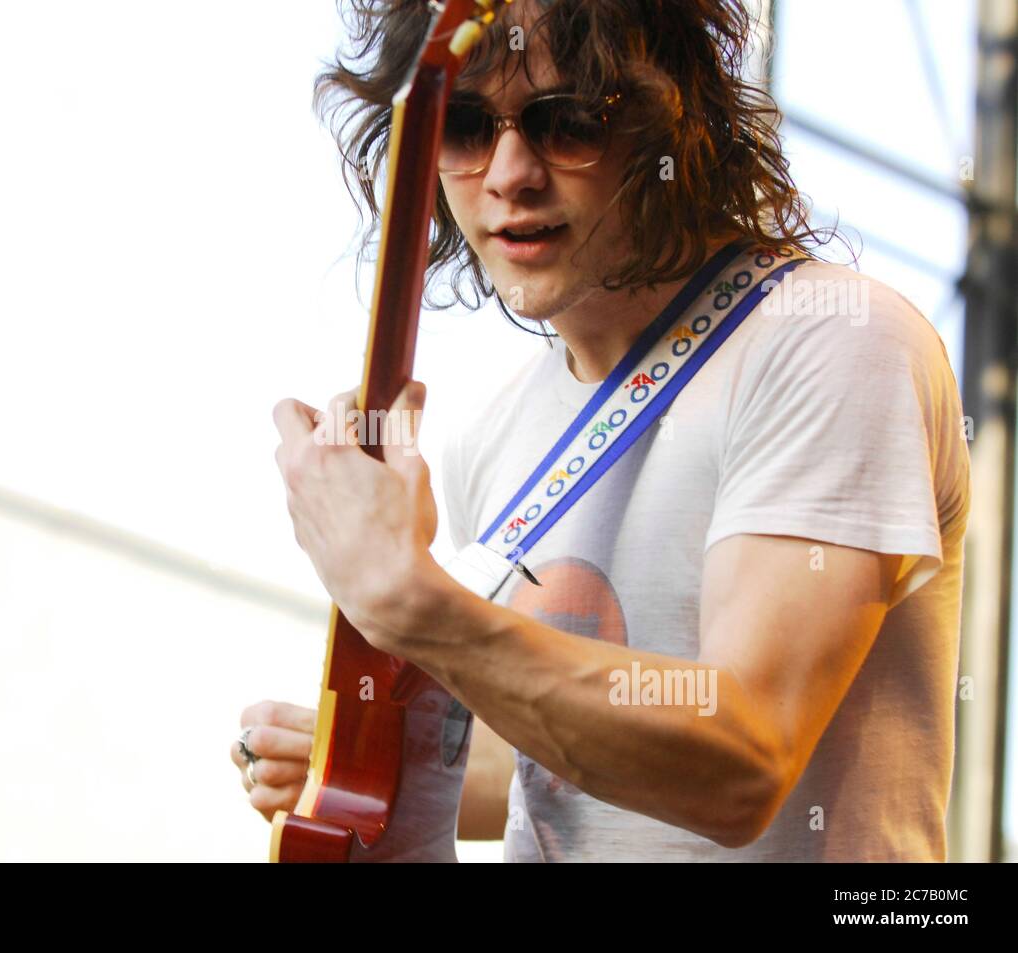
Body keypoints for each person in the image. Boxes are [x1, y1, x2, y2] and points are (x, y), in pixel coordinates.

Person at [232, 0, 970, 861]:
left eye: (566, 120)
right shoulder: (495, 435)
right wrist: (372, 772)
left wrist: (407, 598)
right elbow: (548, 770)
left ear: (673, 121)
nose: (509, 173)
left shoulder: (832, 338)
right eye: (464, 126)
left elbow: (742, 761)